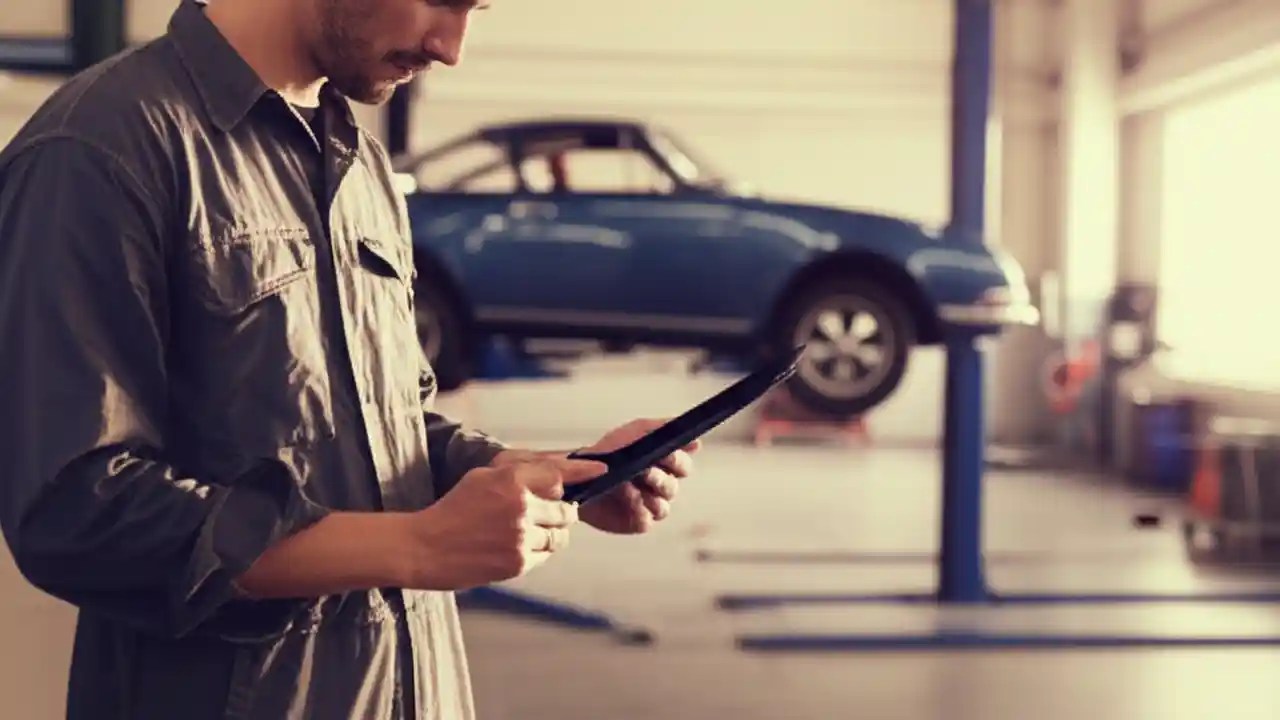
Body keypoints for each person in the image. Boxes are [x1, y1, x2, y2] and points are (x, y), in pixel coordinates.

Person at [0, 0, 699, 717]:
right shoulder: (99, 151)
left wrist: (548, 478)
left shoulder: (357, 159)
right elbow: (75, 508)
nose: (452, 47)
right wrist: (415, 547)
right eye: (442, 0)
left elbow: (379, 426)